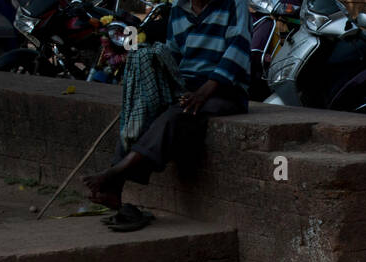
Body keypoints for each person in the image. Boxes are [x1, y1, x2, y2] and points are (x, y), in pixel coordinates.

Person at [83, 0, 250, 231]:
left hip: (223, 89)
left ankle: (116, 171)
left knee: (174, 116)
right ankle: (114, 191)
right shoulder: (178, 10)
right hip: (186, 85)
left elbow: (238, 52)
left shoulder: (233, 4)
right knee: (140, 110)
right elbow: (173, 55)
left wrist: (203, 93)